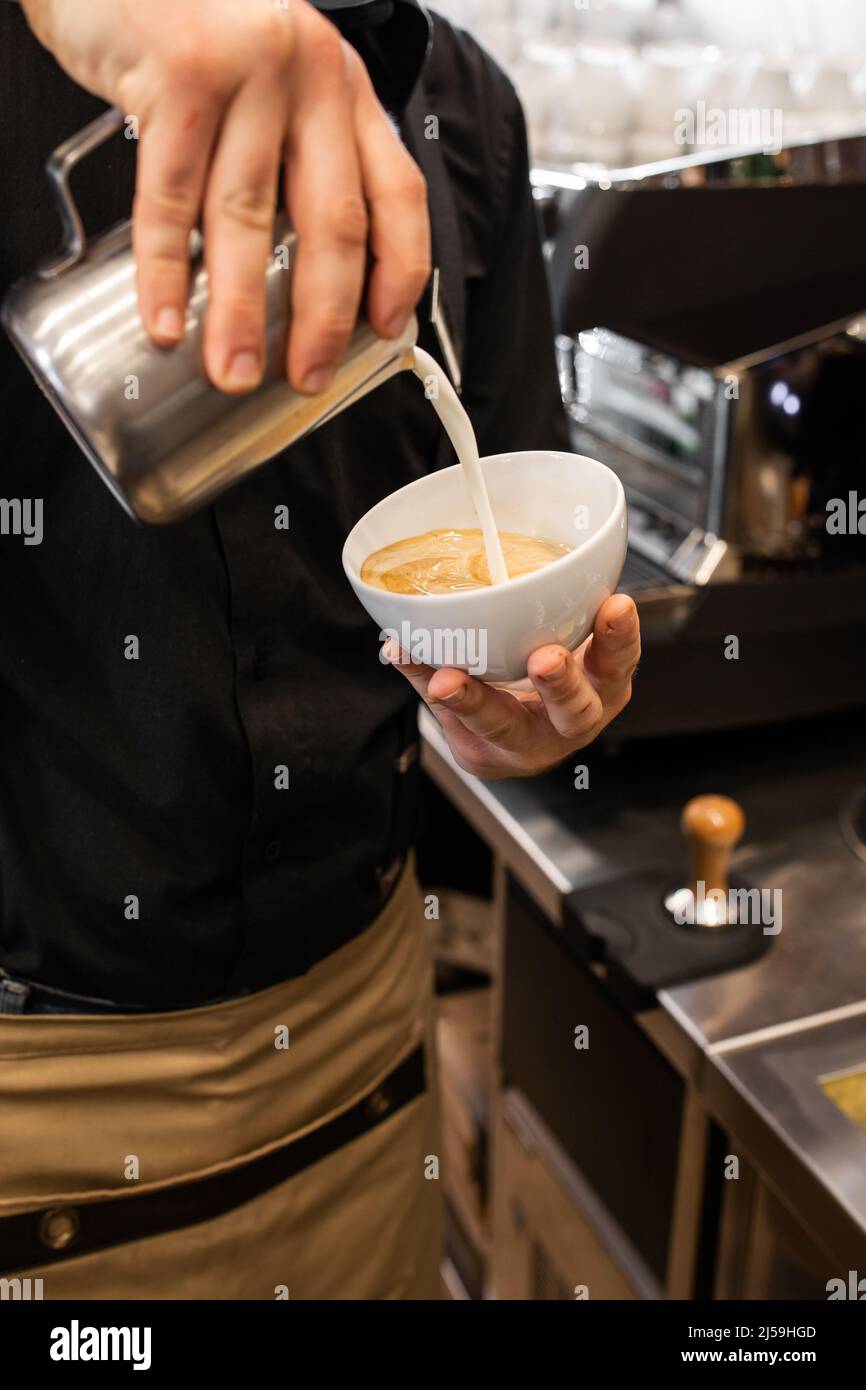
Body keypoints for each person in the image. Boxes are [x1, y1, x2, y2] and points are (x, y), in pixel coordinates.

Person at [0, 0, 640, 1299]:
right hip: (41, 1109)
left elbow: (506, 513)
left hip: (362, 1048)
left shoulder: (457, 101)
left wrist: (522, 707)